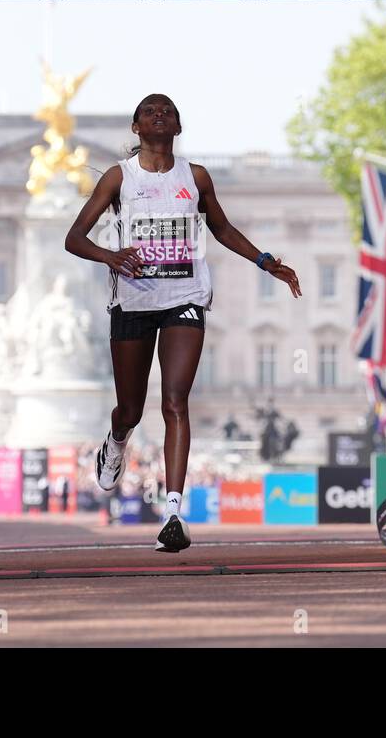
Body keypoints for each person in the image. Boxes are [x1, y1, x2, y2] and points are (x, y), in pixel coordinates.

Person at [63, 93, 301, 551]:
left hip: (185, 297)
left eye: (168, 111)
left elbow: (222, 228)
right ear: (136, 128)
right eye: (150, 111)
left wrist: (267, 261)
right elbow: (74, 238)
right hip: (133, 300)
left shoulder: (195, 177)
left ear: (177, 127)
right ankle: (116, 442)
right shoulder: (119, 177)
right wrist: (111, 257)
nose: (159, 115)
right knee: (130, 408)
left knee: (175, 401)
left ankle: (173, 512)